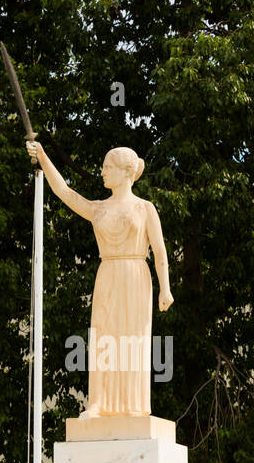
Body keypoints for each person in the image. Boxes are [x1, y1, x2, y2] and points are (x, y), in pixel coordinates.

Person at [26, 141, 173, 417]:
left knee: (132, 339)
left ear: (125, 171)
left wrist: (165, 288)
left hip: (135, 275)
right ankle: (99, 402)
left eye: (108, 167)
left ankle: (132, 405)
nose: (102, 172)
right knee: (104, 337)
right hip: (108, 274)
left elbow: (160, 250)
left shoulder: (145, 208)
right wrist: (44, 158)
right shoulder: (98, 209)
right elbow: (65, 192)